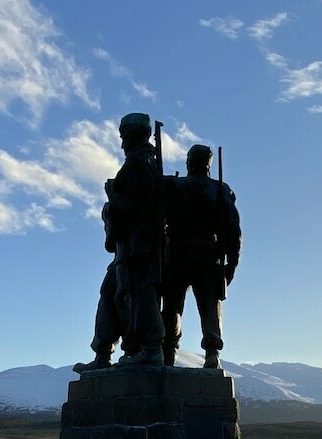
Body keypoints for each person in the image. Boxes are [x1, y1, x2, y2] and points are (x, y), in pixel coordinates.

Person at [74, 113, 163, 371]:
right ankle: (103, 352)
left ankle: (150, 349)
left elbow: (140, 206)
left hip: (140, 245)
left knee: (140, 295)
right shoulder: (139, 162)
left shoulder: (139, 164)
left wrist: (113, 195)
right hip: (128, 244)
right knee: (110, 292)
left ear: (132, 136)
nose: (122, 143)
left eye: (124, 137)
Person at [162, 144, 241, 369]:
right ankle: (212, 352)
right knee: (209, 306)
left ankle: (168, 351)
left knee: (172, 307)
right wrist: (232, 263)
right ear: (208, 164)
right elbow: (233, 230)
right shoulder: (220, 189)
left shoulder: (174, 186)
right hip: (208, 256)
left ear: (189, 162)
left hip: (177, 255)